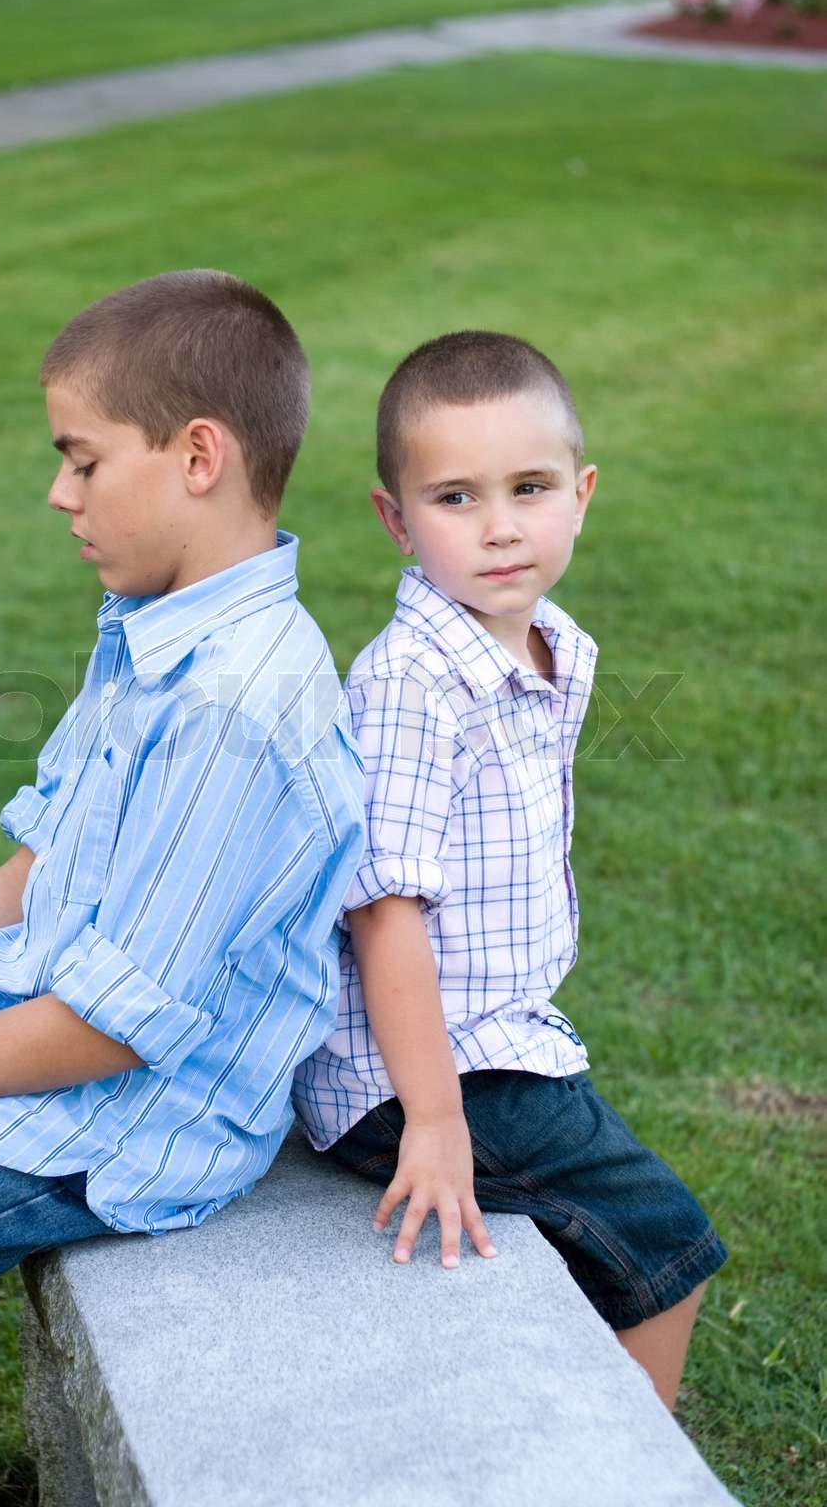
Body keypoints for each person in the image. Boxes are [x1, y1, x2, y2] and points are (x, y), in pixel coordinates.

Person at [0, 270, 366, 1505]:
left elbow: (109, 1028)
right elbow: (28, 872)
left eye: (82, 460)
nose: (58, 492)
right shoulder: (151, 629)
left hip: (104, 1122)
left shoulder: (236, 711)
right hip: (1, 1038)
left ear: (197, 454)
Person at [293, 329, 727, 1411]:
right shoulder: (409, 683)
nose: (498, 528)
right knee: (666, 1243)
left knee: (592, 1236)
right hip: (421, 1072)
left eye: (527, 488)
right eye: (453, 498)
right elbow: (382, 913)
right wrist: (434, 1121)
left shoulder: (547, 647)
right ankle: (630, 1467)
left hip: (491, 1033)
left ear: (579, 494)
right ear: (394, 519)